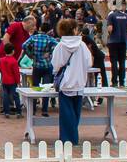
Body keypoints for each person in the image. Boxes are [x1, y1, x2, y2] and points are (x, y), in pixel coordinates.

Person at [51, 17, 92, 145]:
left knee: (66, 115)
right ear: (74, 29)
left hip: (65, 84)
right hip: (79, 83)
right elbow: (88, 63)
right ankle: (73, 138)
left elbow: (56, 65)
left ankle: (67, 139)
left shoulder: (60, 46)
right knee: (75, 114)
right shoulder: (82, 45)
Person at [24, 21, 58, 117]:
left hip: (36, 65)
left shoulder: (34, 38)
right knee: (46, 88)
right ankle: (44, 110)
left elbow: (24, 45)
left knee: (35, 87)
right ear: (49, 30)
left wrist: (30, 54)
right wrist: (50, 53)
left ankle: (33, 109)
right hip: (47, 66)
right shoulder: (50, 39)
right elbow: (58, 45)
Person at [105, 2, 127, 87]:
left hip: (113, 42)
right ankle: (122, 82)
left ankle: (114, 82)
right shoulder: (126, 16)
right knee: (122, 62)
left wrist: (109, 34)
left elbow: (110, 28)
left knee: (114, 62)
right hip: (123, 41)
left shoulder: (111, 16)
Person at [0, 42, 22, 118]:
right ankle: (19, 112)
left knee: (5, 96)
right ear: (12, 51)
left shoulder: (1, 60)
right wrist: (18, 82)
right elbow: (16, 73)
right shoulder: (14, 61)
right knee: (16, 96)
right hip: (12, 81)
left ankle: (6, 112)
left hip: (4, 80)